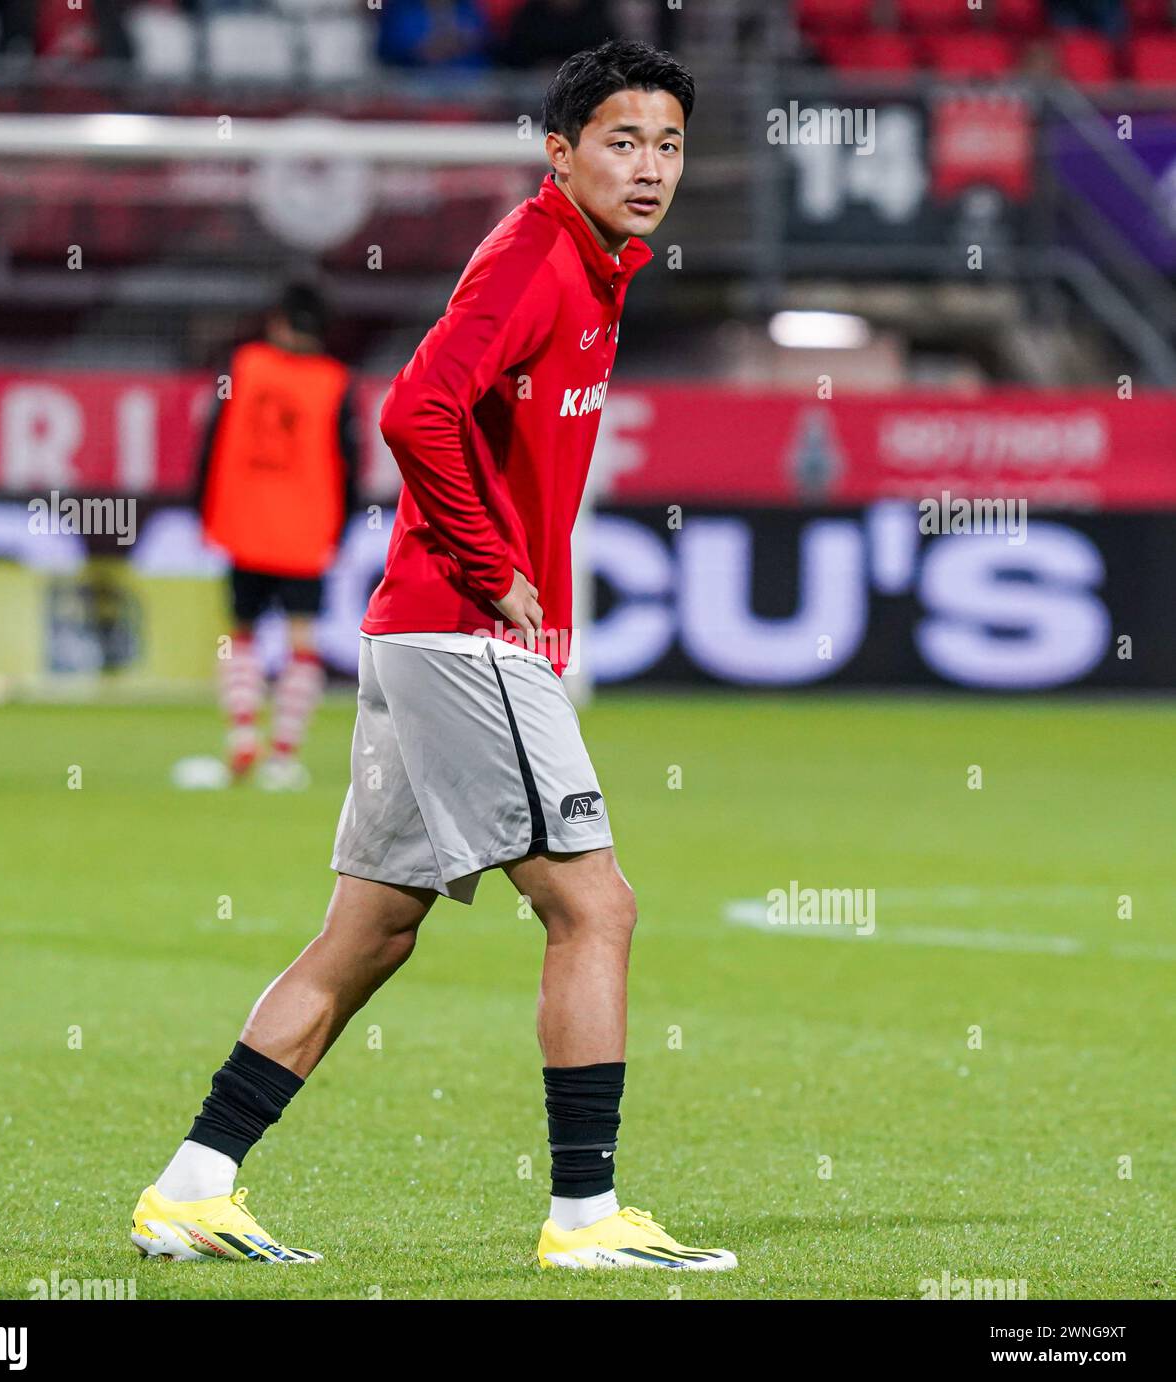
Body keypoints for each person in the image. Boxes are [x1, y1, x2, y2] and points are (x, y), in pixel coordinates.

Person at [132, 39, 736, 1272]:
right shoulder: (533, 253)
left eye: (668, 143)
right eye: (622, 141)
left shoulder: (596, 262)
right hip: (461, 635)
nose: (650, 165)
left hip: (425, 633)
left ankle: (192, 1187)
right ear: (558, 153)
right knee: (594, 908)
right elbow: (415, 406)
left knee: (373, 930)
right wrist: (485, 563)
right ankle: (584, 1217)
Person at [195, 283, 358, 791]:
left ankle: (243, 738)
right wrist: (342, 525)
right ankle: (283, 757)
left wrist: (203, 506)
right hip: (306, 530)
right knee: (302, 639)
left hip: (246, 522)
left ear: (279, 320)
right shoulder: (336, 382)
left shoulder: (245, 366)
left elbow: (211, 439)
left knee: (241, 631)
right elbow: (350, 461)